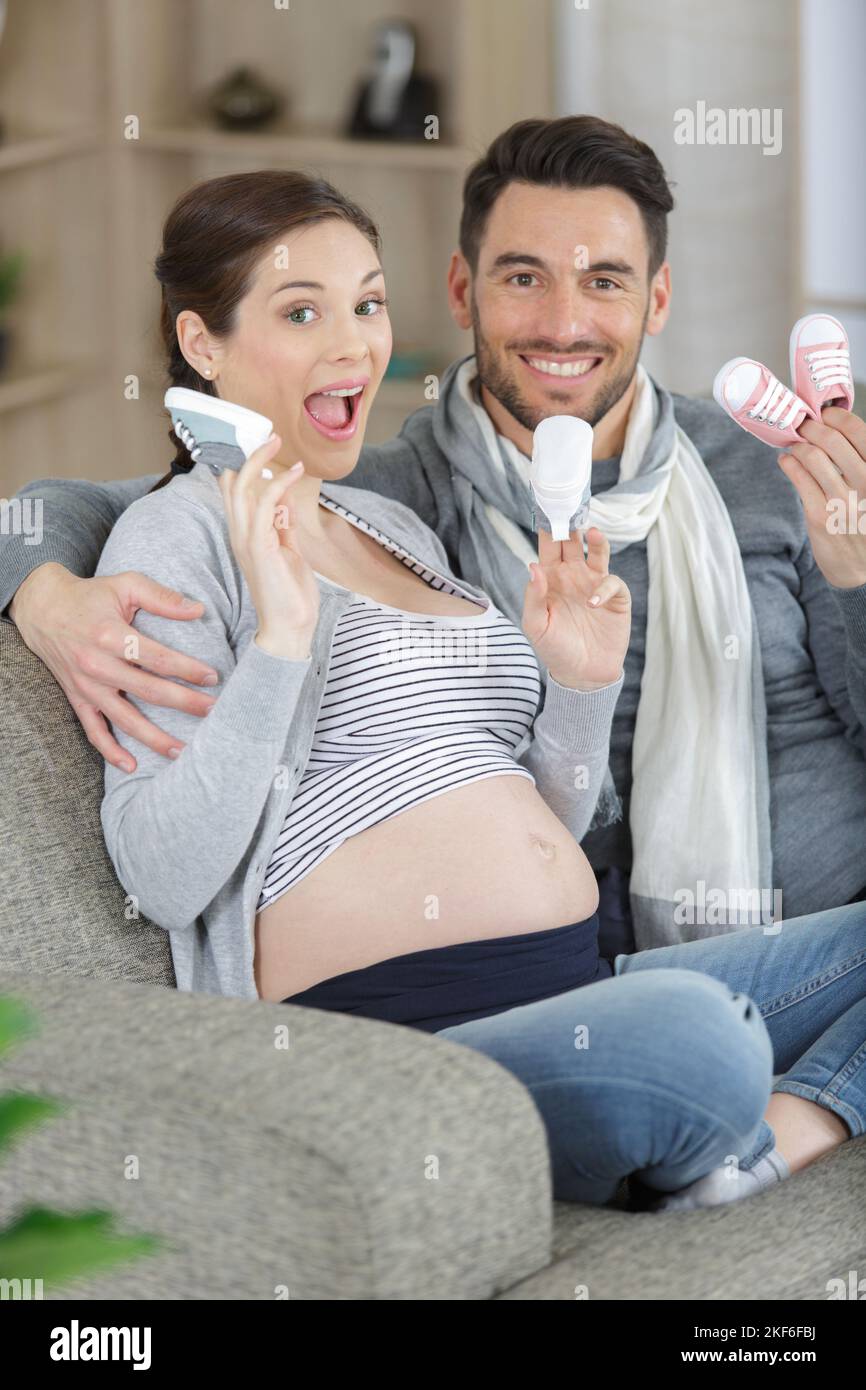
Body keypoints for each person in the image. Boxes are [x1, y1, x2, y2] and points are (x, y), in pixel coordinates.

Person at [29, 168, 864, 1213]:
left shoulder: (391, 526)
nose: (354, 345)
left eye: (368, 304)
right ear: (203, 344)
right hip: (400, 1045)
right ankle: (702, 1095)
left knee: (713, 1031)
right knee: (695, 1042)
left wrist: (576, 682)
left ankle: (770, 1141)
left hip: (573, 990)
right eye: (302, 312)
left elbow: (538, 820)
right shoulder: (182, 534)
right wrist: (279, 642)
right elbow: (159, 872)